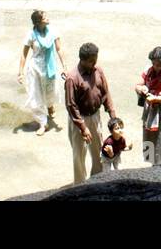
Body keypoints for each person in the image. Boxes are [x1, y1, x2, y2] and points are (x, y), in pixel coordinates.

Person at [64, 42, 118, 183]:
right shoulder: (72, 78)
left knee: (98, 151)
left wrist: (113, 116)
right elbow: (71, 105)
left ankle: (97, 181)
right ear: (82, 60)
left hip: (95, 117)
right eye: (91, 61)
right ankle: (80, 185)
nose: (94, 63)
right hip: (78, 120)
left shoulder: (98, 71)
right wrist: (82, 127)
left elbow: (105, 93)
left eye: (95, 60)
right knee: (79, 154)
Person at [17, 10, 64, 136]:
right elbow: (24, 54)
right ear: (38, 22)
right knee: (35, 95)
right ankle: (43, 123)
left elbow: (59, 49)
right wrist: (20, 72)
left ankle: (50, 106)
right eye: (45, 17)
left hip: (50, 69)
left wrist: (65, 66)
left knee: (50, 92)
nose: (48, 18)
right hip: (35, 69)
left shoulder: (53, 31)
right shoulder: (31, 34)